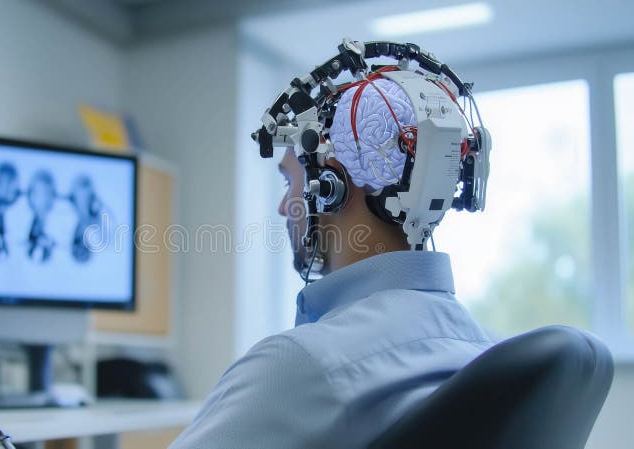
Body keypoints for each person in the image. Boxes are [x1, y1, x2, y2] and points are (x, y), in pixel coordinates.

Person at [169, 41, 493, 448]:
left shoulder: (299, 366)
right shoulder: (493, 354)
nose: (285, 206)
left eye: (291, 182)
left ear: (332, 185)